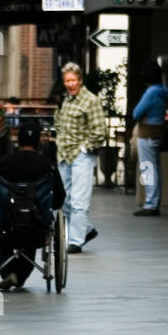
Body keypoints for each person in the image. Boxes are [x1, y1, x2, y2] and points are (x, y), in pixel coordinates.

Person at [0, 119, 66, 291]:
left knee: (4, 227)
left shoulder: (2, 164)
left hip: (6, 227)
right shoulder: (47, 166)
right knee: (32, 229)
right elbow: (58, 199)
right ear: (38, 141)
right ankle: (19, 275)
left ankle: (8, 272)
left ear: (18, 140)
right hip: (36, 228)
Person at [53, 62, 106, 254]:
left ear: (80, 80)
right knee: (63, 199)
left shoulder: (90, 100)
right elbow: (59, 123)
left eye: (73, 80)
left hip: (81, 156)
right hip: (64, 155)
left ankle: (75, 241)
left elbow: (100, 131)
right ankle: (87, 230)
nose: (70, 84)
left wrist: (85, 148)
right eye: (67, 80)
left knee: (78, 201)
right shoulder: (66, 100)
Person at [132, 59, 168, 217]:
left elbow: (136, 113)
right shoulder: (163, 90)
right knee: (155, 169)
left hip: (147, 133)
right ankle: (154, 201)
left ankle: (151, 203)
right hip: (158, 132)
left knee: (148, 168)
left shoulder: (151, 92)